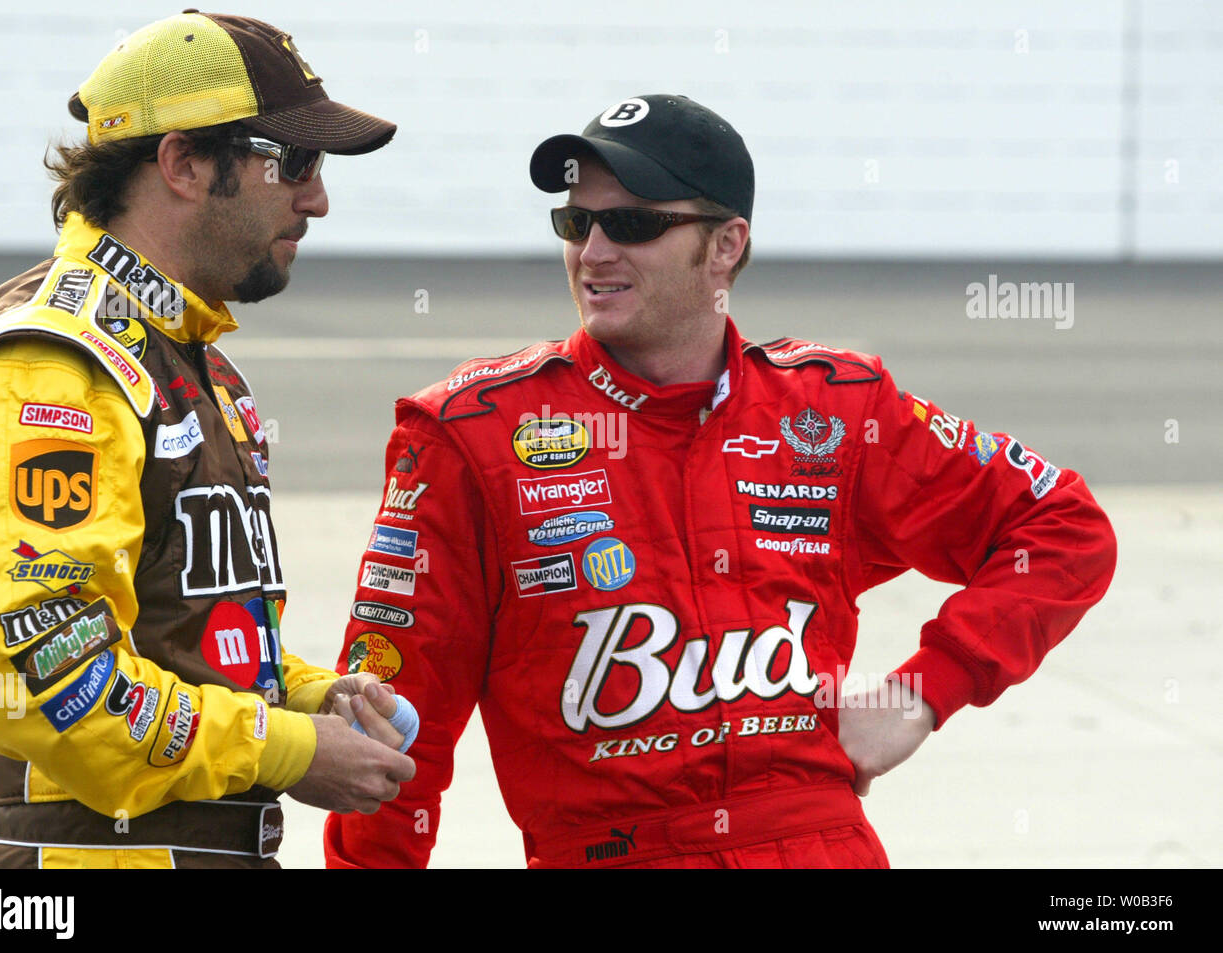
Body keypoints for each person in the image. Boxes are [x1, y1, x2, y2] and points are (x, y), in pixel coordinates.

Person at [324, 94, 1118, 869]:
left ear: (727, 244)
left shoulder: (834, 408)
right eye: (577, 222)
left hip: (819, 841)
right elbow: (393, 724)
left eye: (633, 224)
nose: (593, 252)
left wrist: (921, 692)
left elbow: (1063, 528)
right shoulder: (472, 433)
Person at [0, 10, 415, 869]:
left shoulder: (192, 363)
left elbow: (182, 631)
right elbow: (47, 680)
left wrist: (309, 696)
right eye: (292, 162)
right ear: (183, 162)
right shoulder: (55, 370)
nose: (318, 198)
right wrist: (287, 748)